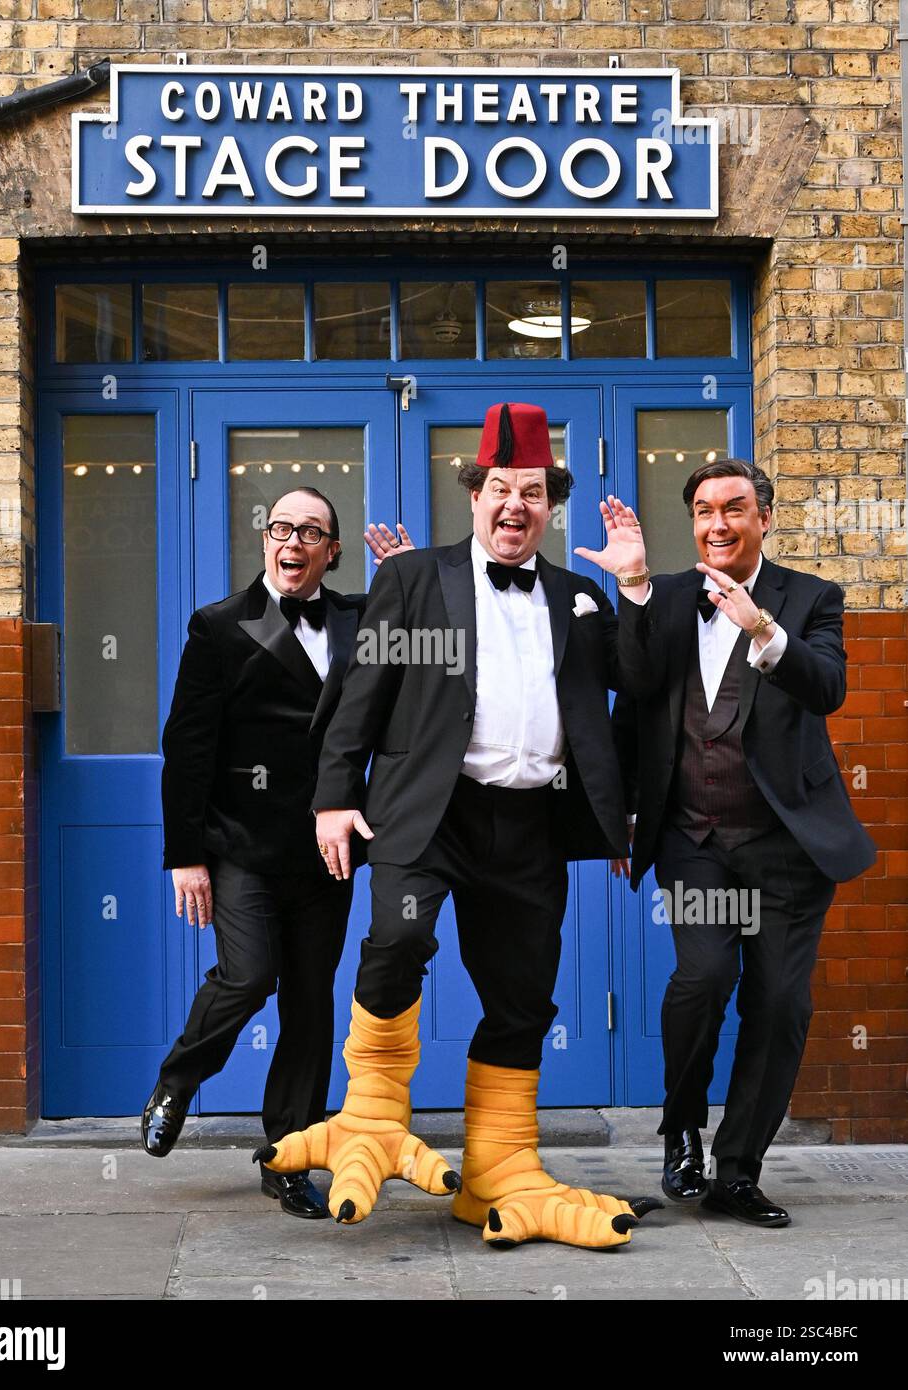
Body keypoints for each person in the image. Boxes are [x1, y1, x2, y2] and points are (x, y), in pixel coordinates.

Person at [259, 402, 661, 1250]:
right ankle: (369, 1116)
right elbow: (356, 694)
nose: (516, 505)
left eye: (535, 492)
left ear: (551, 506)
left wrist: (631, 584)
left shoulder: (579, 596)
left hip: (531, 826)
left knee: (523, 994)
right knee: (397, 943)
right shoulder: (415, 579)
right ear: (474, 494)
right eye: (501, 489)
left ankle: (498, 1172)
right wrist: (335, 796)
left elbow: (638, 679)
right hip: (426, 813)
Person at [605, 458, 876, 1227]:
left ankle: (738, 1170)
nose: (716, 523)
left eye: (732, 508)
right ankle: (682, 1126)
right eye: (701, 510)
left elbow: (827, 686)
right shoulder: (666, 599)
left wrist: (762, 628)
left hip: (788, 846)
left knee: (781, 1003)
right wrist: (623, 812)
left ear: (763, 516)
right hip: (696, 839)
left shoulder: (812, 598)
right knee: (702, 975)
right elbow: (633, 700)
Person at [140, 486, 412, 1220]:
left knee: (309, 1002)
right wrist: (184, 855)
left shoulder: (361, 618)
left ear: (332, 551)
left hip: (329, 851)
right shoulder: (220, 627)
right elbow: (188, 749)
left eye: (311, 531)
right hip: (243, 846)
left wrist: (413, 579)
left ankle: (288, 1156)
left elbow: (431, 670)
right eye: (281, 528)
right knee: (249, 974)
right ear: (266, 540)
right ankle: (179, 1078)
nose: (293, 541)